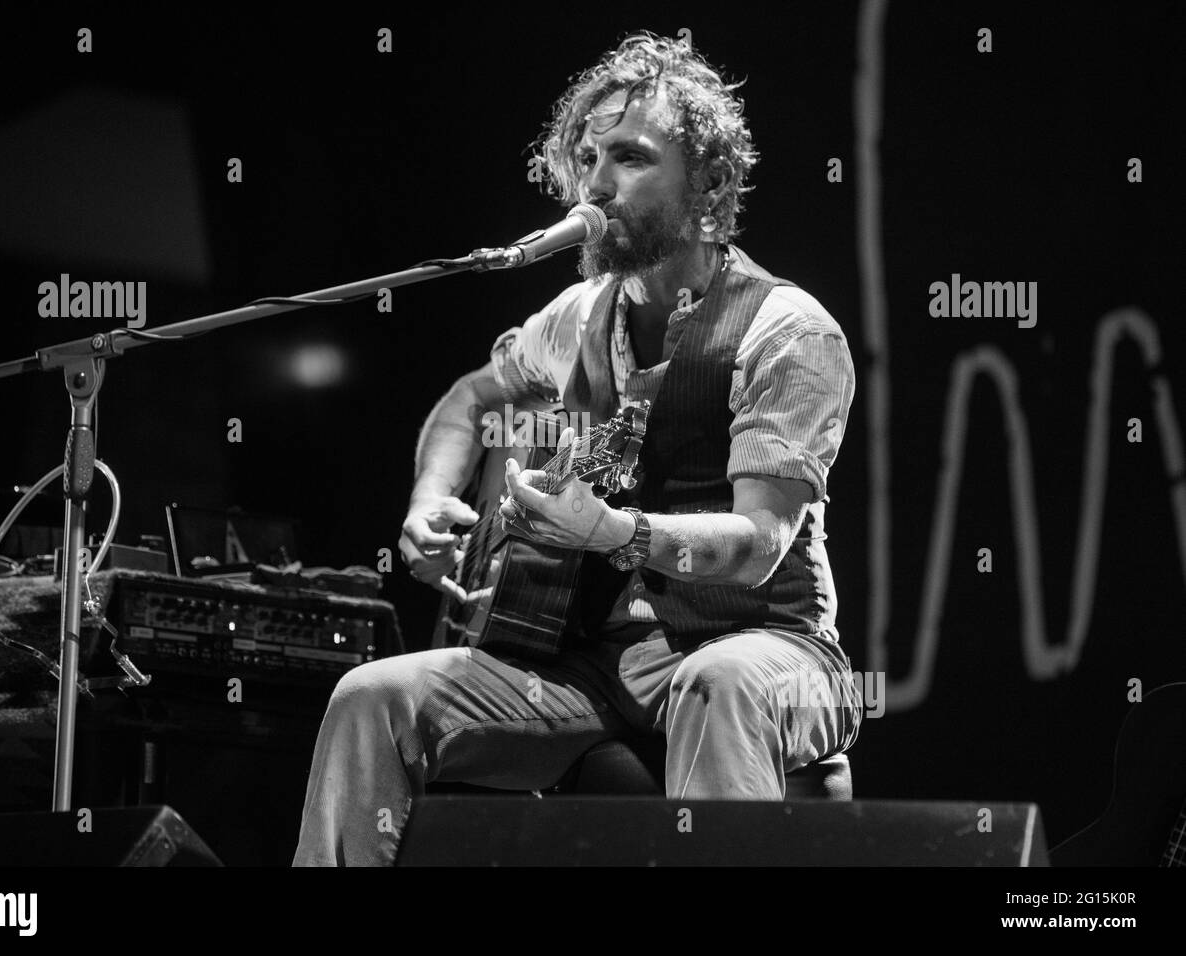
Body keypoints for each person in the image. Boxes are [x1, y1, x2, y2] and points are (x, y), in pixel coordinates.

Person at [294, 32, 862, 867]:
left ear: (709, 184)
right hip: (589, 664)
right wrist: (427, 502)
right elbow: (468, 400)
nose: (596, 184)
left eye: (630, 158)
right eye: (588, 157)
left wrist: (613, 533)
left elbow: (756, 547)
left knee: (724, 682)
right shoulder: (574, 318)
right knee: (370, 698)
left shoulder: (789, 332)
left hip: (771, 651)